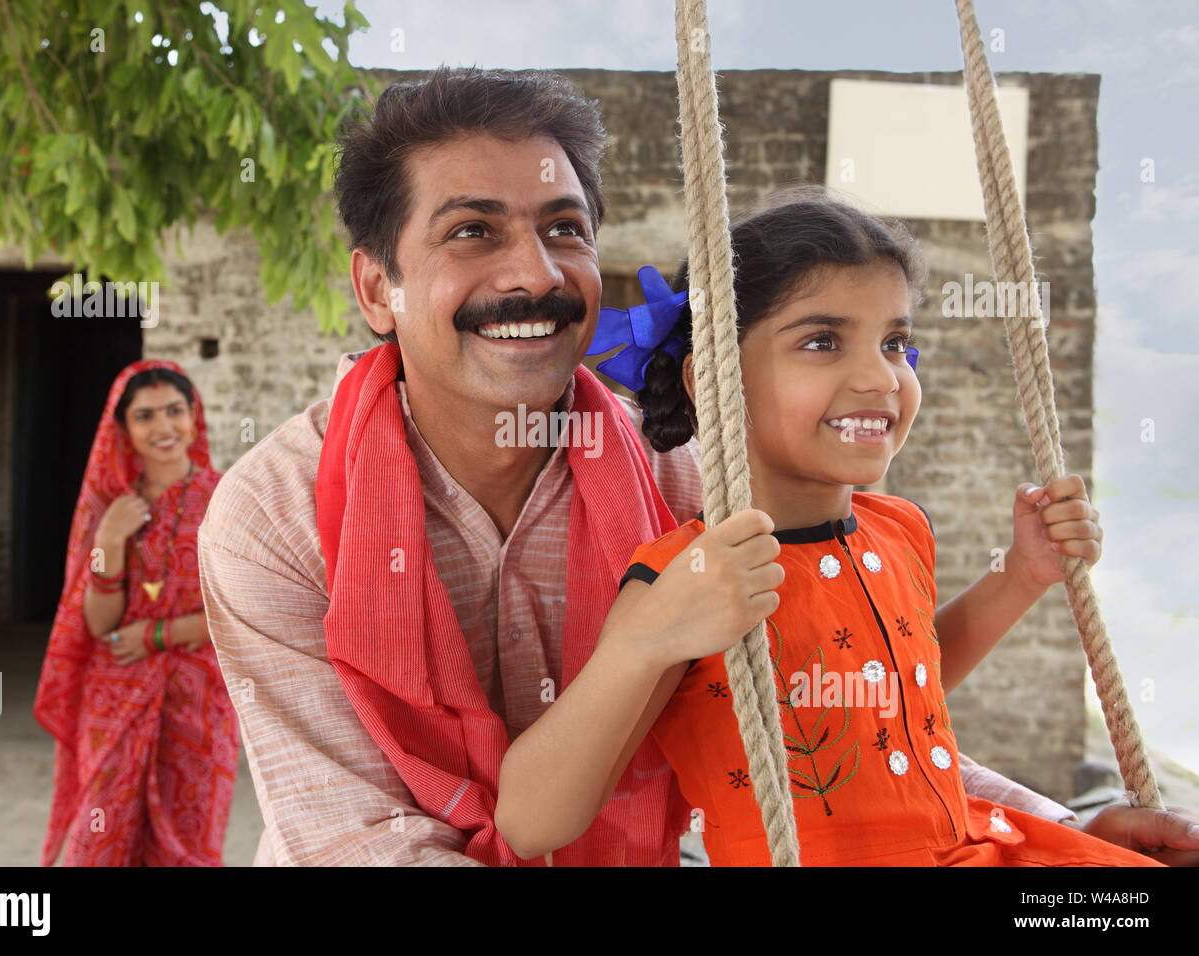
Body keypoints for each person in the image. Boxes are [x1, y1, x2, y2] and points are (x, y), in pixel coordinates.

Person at [197, 67, 1131, 867]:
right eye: (473, 232)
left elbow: (847, 719)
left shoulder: (693, 484)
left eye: (564, 230)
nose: (535, 275)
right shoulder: (274, 520)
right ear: (376, 287)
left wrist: (1054, 832)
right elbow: (355, 839)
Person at [493, 192, 1199, 866]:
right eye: (824, 341)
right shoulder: (691, 577)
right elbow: (531, 824)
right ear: (708, 378)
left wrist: (1020, 576)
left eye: (895, 342)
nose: (881, 378)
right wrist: (648, 641)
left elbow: (899, 683)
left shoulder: (899, 530)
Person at [34, 359, 240, 866]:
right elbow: (100, 624)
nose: (163, 427)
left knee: (186, 841)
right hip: (116, 691)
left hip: (199, 698)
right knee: (99, 836)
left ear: (194, 416)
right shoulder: (111, 509)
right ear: (124, 428)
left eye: (174, 411)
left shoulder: (229, 499)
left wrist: (159, 634)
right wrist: (108, 537)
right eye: (145, 416)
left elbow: (244, 611)